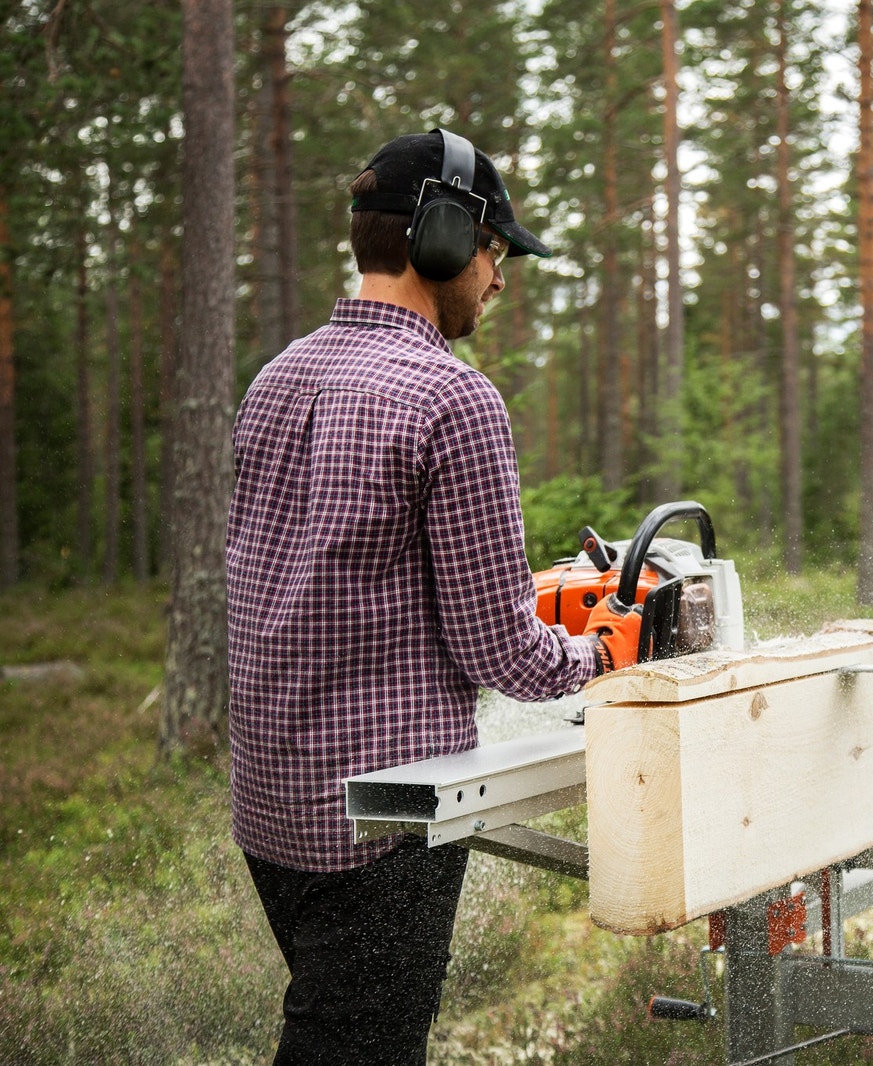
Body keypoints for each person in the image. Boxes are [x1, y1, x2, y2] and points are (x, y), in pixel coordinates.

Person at [225, 129, 642, 1064]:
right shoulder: (453, 399)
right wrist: (608, 651)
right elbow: (505, 653)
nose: (499, 277)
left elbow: (319, 577)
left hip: (272, 807)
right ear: (445, 237)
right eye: (496, 251)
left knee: (329, 1021)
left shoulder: (276, 377)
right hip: (383, 823)